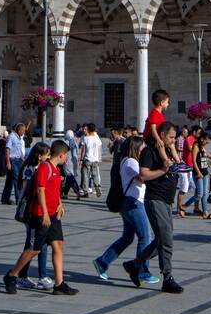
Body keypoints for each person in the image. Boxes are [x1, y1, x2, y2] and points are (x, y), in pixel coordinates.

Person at [3, 139, 77, 295]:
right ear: (61, 155)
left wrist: (60, 203)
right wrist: (44, 213)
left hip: (53, 214)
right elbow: (40, 190)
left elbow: (55, 190)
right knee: (34, 249)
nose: (67, 159)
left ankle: (59, 283)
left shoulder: (56, 169)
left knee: (58, 245)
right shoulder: (45, 167)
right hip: (40, 215)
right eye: (66, 156)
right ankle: (11, 275)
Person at [92, 134, 164, 286]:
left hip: (130, 203)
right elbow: (142, 177)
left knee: (127, 237)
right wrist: (162, 170)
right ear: (136, 147)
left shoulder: (129, 161)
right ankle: (142, 271)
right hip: (133, 203)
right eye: (142, 147)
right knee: (145, 237)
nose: (143, 150)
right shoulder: (130, 161)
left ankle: (102, 262)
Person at [138, 121, 185, 293]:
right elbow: (143, 175)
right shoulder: (149, 151)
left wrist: (172, 150)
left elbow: (180, 166)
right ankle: (167, 278)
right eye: (171, 138)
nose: (173, 141)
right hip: (155, 199)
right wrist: (162, 171)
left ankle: (135, 264)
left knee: (162, 239)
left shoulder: (165, 151)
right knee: (166, 240)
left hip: (166, 202)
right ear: (162, 135)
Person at [16, 142, 54, 289]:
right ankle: (41, 276)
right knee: (38, 244)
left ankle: (23, 275)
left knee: (34, 244)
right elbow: (27, 189)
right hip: (31, 210)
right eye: (47, 154)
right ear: (39, 156)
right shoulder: (29, 168)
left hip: (39, 209)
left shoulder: (42, 167)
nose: (49, 157)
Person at [184, 134, 211, 217]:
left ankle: (205, 212)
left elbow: (207, 154)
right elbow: (194, 161)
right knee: (199, 194)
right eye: (206, 141)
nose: (206, 143)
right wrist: (198, 172)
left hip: (205, 173)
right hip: (198, 174)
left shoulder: (201, 147)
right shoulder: (196, 146)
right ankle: (184, 206)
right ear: (202, 139)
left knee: (205, 194)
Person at [1, 122, 27, 205]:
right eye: (23, 130)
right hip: (13, 160)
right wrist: (8, 162)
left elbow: (19, 149)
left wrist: (23, 159)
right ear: (19, 130)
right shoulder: (11, 137)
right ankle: (19, 199)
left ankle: (5, 198)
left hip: (19, 160)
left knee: (10, 180)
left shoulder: (19, 137)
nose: (24, 132)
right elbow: (7, 149)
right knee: (17, 180)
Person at [79, 124, 103, 198]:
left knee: (85, 176)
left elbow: (84, 150)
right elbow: (100, 149)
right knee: (95, 175)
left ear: (88, 129)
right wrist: (99, 158)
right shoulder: (97, 138)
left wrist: (81, 159)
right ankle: (97, 188)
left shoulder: (85, 138)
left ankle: (86, 192)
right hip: (95, 160)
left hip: (87, 159)